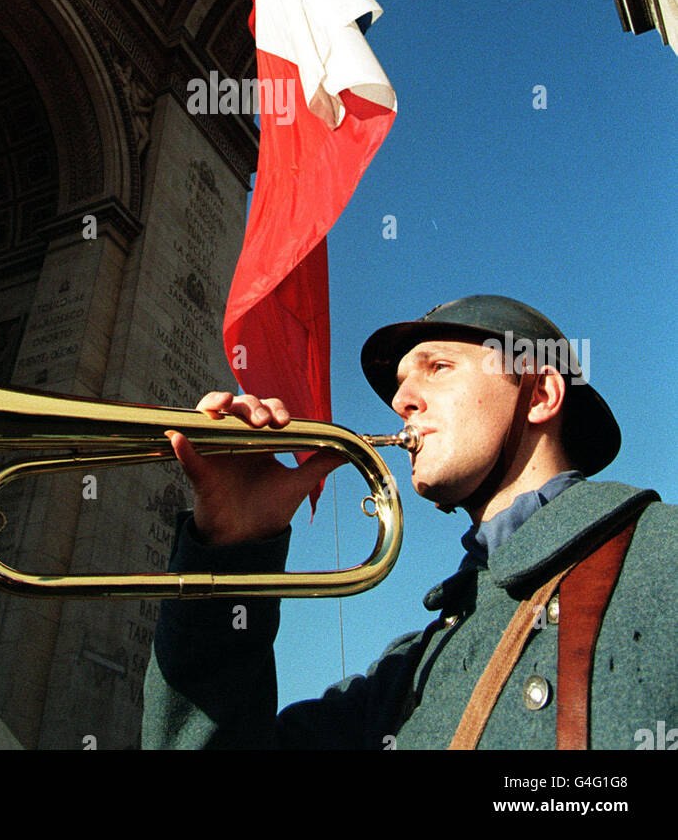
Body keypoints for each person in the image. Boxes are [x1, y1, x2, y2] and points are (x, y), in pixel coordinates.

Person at [142, 295, 676, 750]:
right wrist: (232, 546)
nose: (400, 400)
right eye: (400, 383)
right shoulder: (405, 675)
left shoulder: (663, 555)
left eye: (437, 367)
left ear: (539, 394)